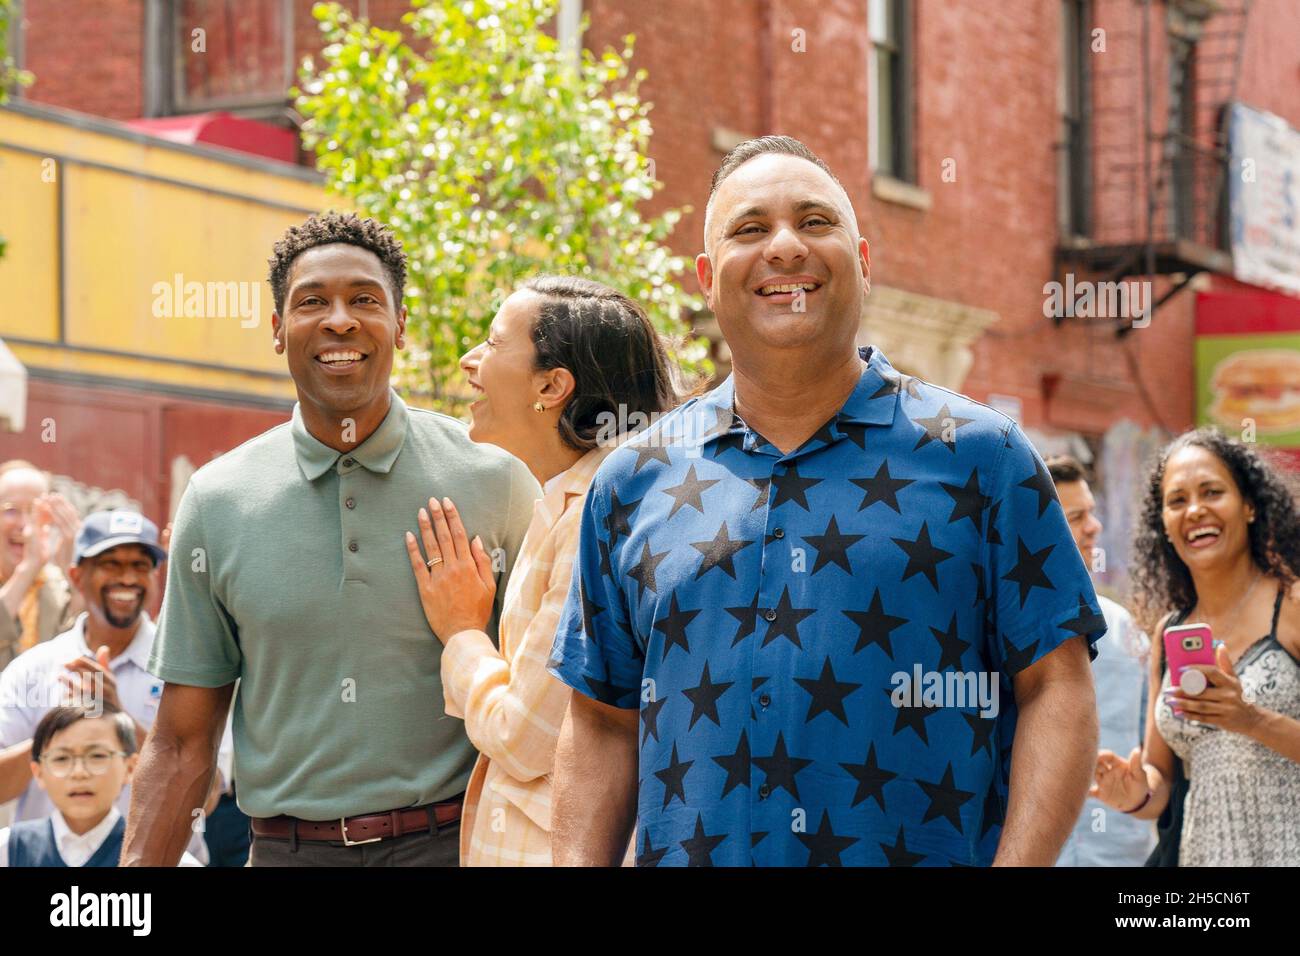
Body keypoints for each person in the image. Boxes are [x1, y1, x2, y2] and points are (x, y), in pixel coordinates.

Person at [548, 136, 1105, 867]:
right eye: (751, 230)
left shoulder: (984, 458)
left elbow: (1055, 689)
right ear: (709, 280)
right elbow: (601, 722)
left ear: (863, 262)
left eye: (815, 222)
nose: (785, 248)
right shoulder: (632, 481)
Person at [123, 212, 538, 867]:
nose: (339, 320)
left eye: (364, 300)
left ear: (400, 325)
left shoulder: (498, 477)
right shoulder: (217, 499)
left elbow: (559, 703)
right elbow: (179, 745)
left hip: (457, 846)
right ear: (277, 330)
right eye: (312, 301)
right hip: (286, 851)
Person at [405, 275, 677, 865]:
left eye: (494, 343)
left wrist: (462, 634)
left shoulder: (593, 517)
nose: (468, 360)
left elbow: (522, 738)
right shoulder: (564, 499)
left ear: (553, 386)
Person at [1091, 428, 1300, 866]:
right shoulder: (1170, 634)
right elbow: (1161, 780)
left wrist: (1253, 720)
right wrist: (1134, 793)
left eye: (1212, 492)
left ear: (1248, 506)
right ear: (1163, 524)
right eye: (1177, 500)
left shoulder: (1292, 604)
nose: (1196, 510)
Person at [1045, 455, 1155, 866]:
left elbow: (1155, 746)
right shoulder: (991, 636)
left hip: (1120, 854)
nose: (1095, 527)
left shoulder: (1126, 630)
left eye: (1091, 513)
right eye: (1077, 517)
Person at [1, 704, 200, 866]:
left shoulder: (164, 859)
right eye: (61, 758)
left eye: (97, 756)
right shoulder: (8, 850)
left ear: (131, 767)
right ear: (39, 772)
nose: (79, 773)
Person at [0, 460, 77, 669]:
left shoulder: (59, 586)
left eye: (35, 511)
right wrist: (28, 568)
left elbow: (86, 645)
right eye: (11, 510)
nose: (24, 526)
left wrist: (75, 572)